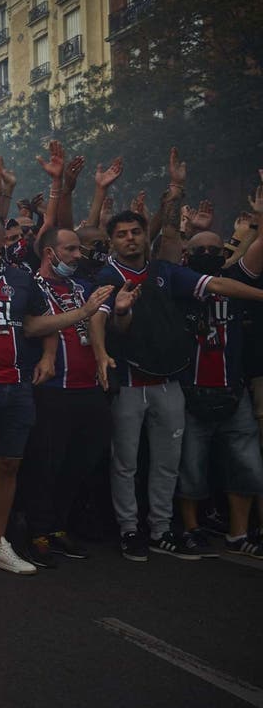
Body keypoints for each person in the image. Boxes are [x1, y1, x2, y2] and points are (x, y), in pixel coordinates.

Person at [0, 212, 112, 578]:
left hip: (16, 385)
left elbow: (36, 323)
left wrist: (51, 350)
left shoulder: (20, 279)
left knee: (9, 463)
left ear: (3, 240)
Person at [91, 201, 263, 561]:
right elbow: (105, 320)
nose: (130, 239)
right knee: (125, 462)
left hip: (168, 382)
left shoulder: (165, 272)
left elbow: (216, 283)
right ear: (112, 242)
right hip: (128, 383)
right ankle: (129, 529)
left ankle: (161, 528)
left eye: (136, 232)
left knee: (167, 461)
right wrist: (102, 350)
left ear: (146, 236)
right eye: (121, 235)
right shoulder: (107, 277)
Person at [17, 227, 117, 567]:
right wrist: (84, 312)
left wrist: (103, 351)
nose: (78, 255)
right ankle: (36, 533)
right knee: (46, 464)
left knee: (80, 462)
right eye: (71, 249)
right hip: (51, 390)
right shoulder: (30, 285)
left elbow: (96, 323)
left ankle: (59, 526)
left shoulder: (81, 287)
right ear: (50, 253)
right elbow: (32, 326)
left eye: (79, 249)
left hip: (87, 387)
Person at [173, 223, 263, 558]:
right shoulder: (178, 284)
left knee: (248, 467)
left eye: (215, 250)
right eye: (201, 250)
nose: (208, 255)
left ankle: (238, 534)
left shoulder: (237, 282)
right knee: (191, 468)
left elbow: (258, 250)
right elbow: (165, 246)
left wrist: (259, 215)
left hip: (233, 392)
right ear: (188, 256)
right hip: (190, 392)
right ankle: (192, 527)